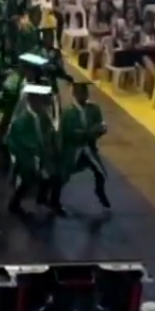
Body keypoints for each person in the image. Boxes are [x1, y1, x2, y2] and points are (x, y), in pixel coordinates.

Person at [6, 84, 61, 216]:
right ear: (30, 100)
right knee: (27, 181)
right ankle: (14, 204)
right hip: (27, 157)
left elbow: (49, 132)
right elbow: (15, 140)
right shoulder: (21, 120)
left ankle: (41, 199)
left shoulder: (43, 117)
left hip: (42, 155)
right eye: (37, 100)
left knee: (51, 176)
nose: (40, 103)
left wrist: (51, 146)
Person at [59, 81, 111, 213]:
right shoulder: (68, 113)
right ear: (75, 94)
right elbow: (67, 133)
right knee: (64, 175)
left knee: (100, 173)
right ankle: (54, 198)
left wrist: (98, 131)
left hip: (88, 148)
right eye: (81, 93)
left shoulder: (94, 109)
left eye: (85, 92)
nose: (84, 96)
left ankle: (100, 191)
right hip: (73, 150)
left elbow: (100, 125)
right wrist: (88, 132)